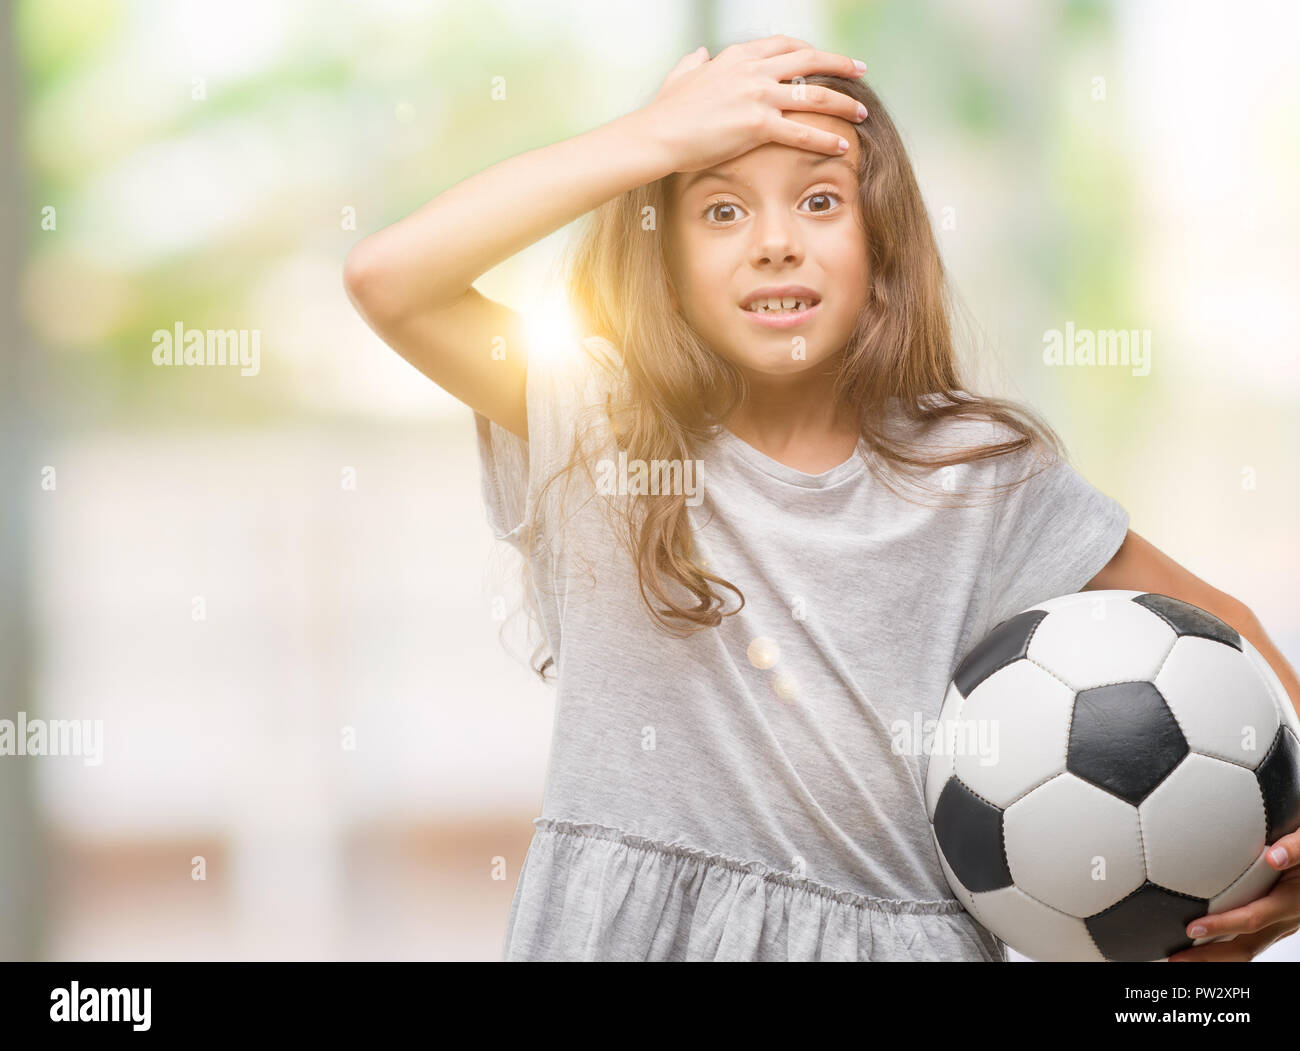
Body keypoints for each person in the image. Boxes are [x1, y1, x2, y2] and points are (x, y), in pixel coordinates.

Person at [343, 35, 1300, 961]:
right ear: (663, 265)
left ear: (880, 248)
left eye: (817, 201)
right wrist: (653, 138)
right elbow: (390, 280)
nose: (773, 244)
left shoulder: (979, 474)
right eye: (720, 211)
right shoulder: (598, 421)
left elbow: (1229, 628)